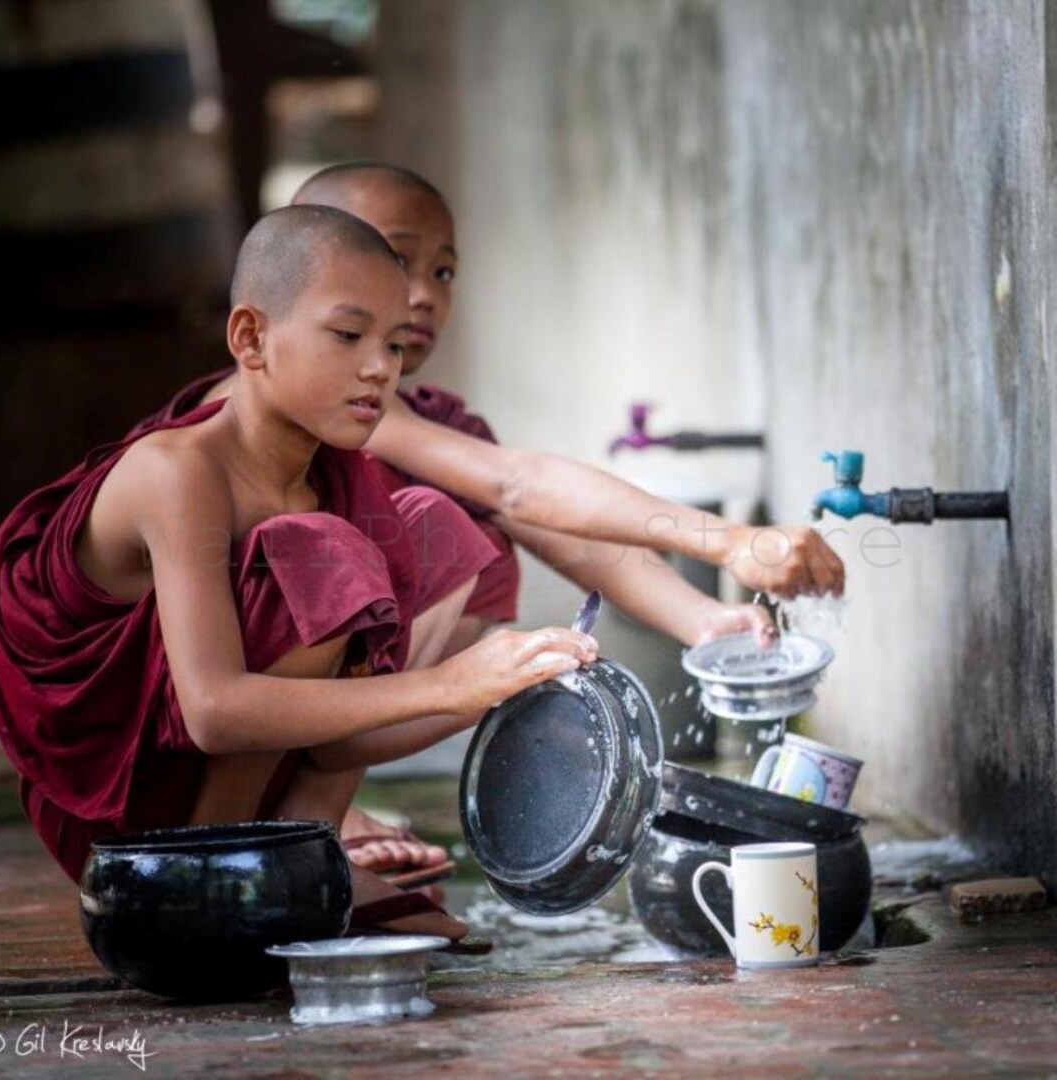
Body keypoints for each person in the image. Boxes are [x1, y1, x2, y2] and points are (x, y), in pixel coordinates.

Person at [132, 162, 846, 879]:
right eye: (392, 256)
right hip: (179, 734)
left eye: (441, 273)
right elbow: (516, 486)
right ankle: (276, 829)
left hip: (277, 712)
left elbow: (548, 522)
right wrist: (725, 540)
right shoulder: (268, 419)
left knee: (463, 534)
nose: (417, 294)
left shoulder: (377, 402)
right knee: (334, 550)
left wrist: (701, 620)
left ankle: (309, 809)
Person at [0, 206, 598, 916]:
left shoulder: (332, 477)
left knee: (436, 530)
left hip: (249, 750)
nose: (378, 368)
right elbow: (212, 710)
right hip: (125, 800)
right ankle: (218, 871)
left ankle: (304, 842)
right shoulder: (177, 472)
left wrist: (497, 688)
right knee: (325, 554)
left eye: (395, 346)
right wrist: (452, 684)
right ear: (250, 337)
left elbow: (343, 743)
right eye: (347, 334)